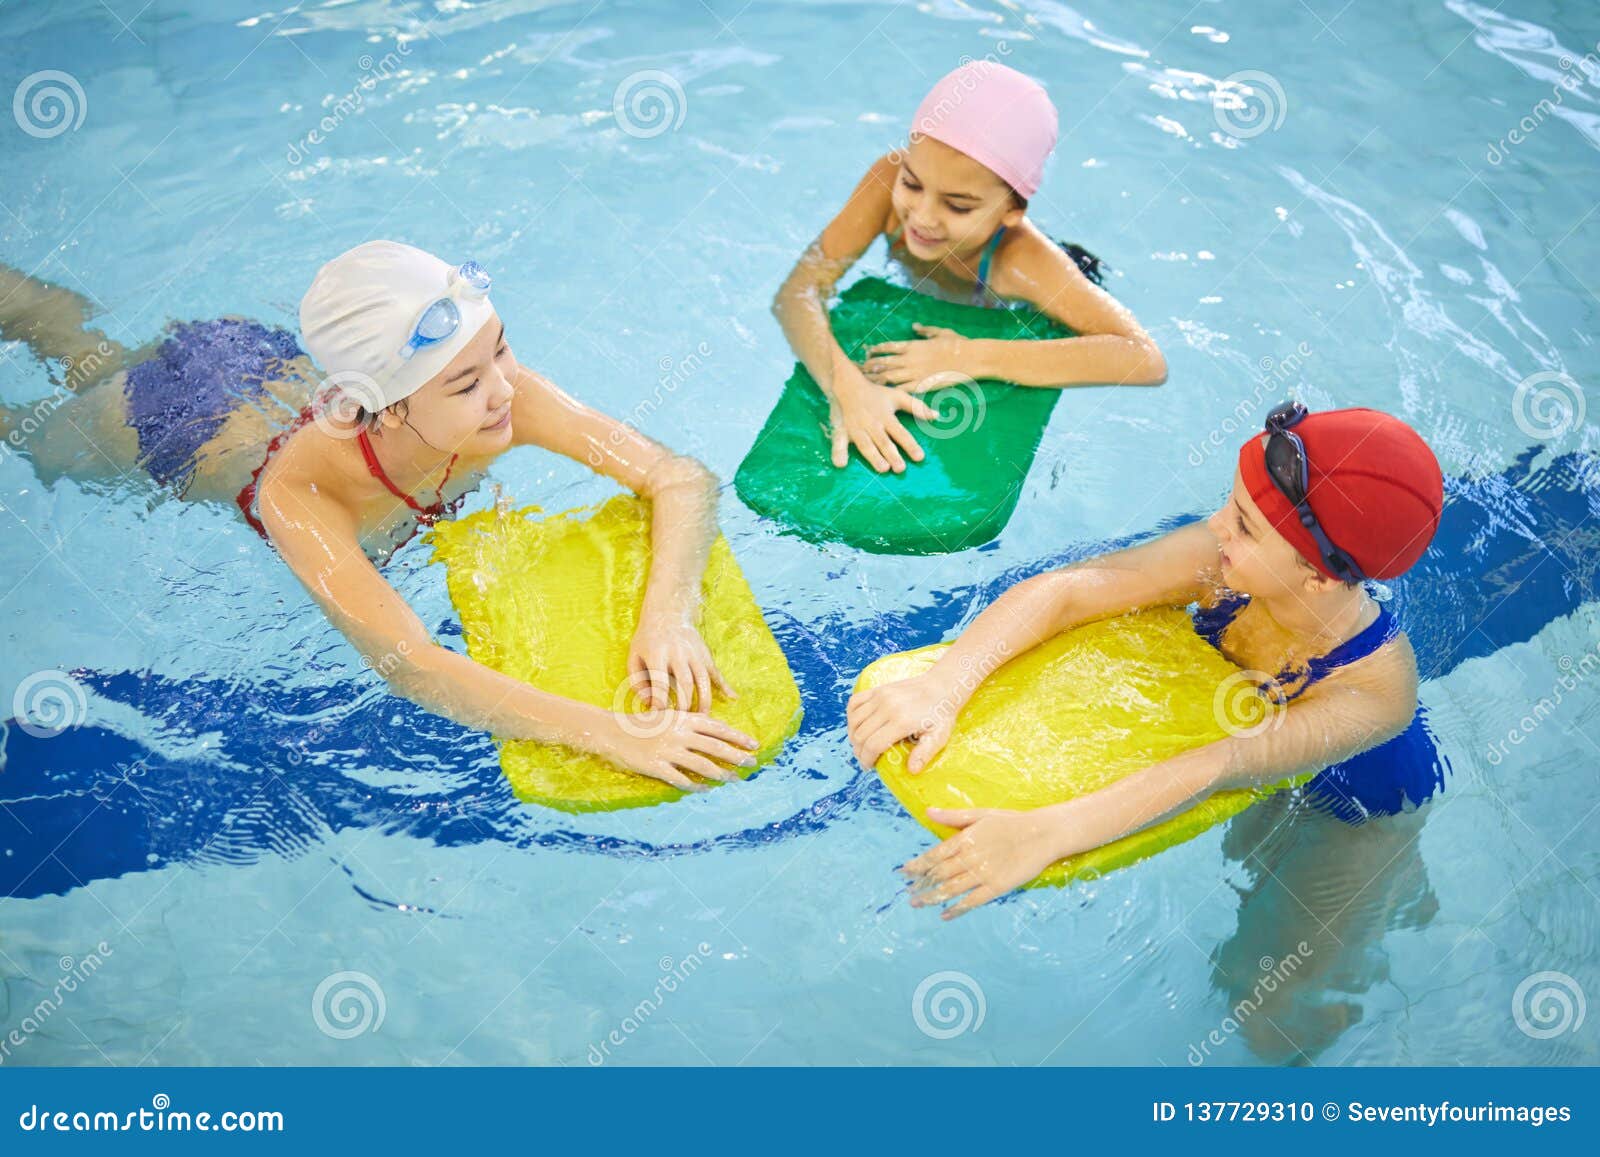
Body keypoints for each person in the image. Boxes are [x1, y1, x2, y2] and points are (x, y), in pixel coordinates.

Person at [0, 245, 757, 792]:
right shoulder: (297, 496)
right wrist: (608, 732)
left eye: (502, 351)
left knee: (85, 344)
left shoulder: (492, 391)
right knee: (26, 427)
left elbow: (679, 477)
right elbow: (409, 663)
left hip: (253, 361)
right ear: (387, 409)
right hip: (164, 424)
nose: (505, 389)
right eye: (467, 382)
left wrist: (669, 617)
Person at [846, 402, 1448, 917]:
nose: (1216, 526)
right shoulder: (1226, 561)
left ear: (1318, 578)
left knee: (1270, 988)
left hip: (1359, 801)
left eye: (1244, 525)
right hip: (1239, 733)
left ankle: (1397, 890)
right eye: (1231, 503)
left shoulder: (1373, 691)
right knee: (1246, 852)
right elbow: (1069, 592)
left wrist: (1048, 832)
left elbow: (1219, 764)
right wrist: (945, 685)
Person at [771, 60, 1166, 476]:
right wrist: (846, 388)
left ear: (1012, 211)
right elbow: (796, 292)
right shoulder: (885, 183)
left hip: (1005, 305)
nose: (922, 217)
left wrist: (972, 355)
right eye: (912, 184)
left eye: (958, 206)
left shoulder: (1024, 262)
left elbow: (1144, 359)